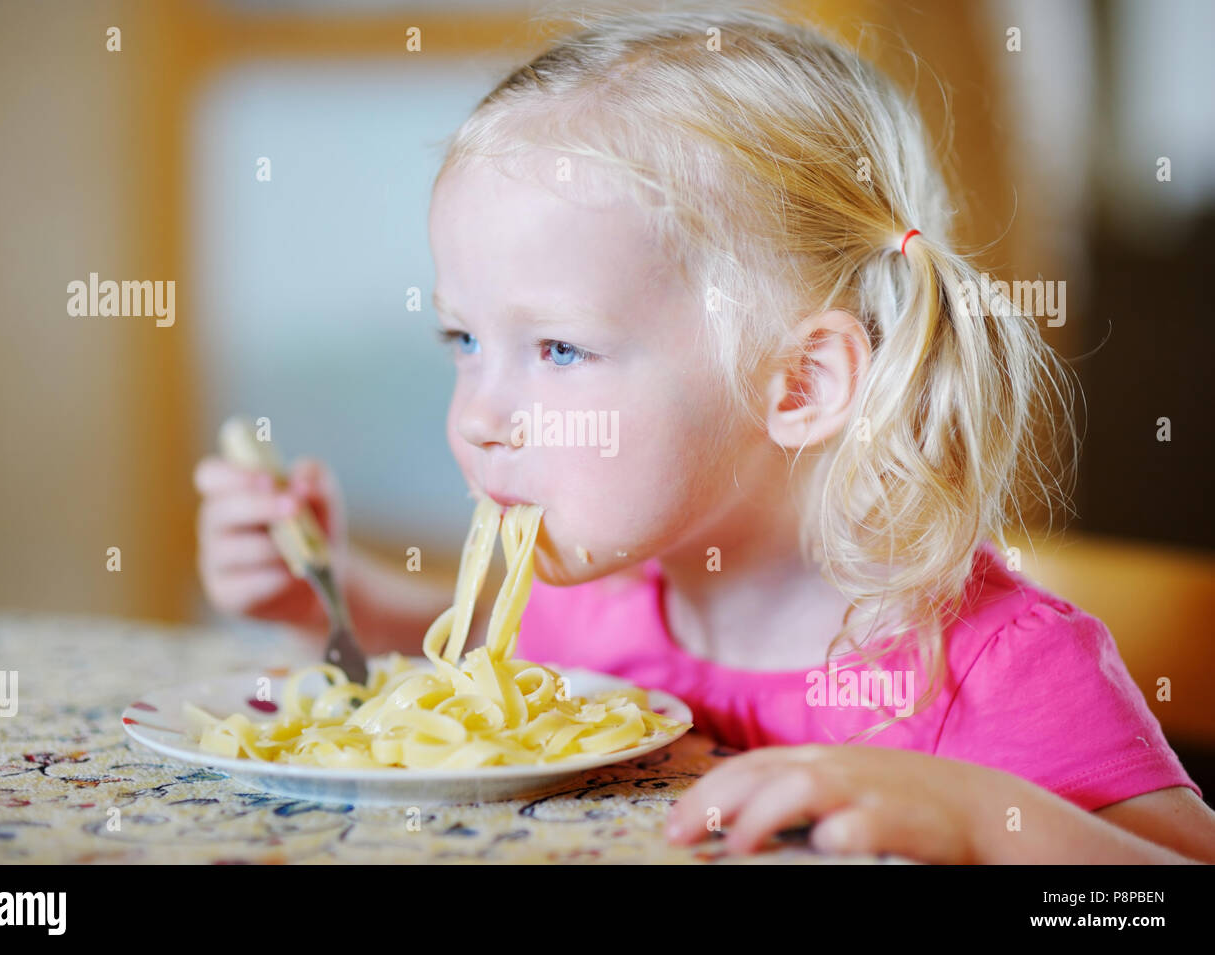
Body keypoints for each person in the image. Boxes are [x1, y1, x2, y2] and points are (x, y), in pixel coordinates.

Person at [195, 5, 1214, 863]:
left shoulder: (995, 666)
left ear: (800, 382)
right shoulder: (605, 601)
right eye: (463, 338)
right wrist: (327, 591)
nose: (477, 416)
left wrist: (984, 820)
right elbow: (455, 653)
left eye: (556, 350)